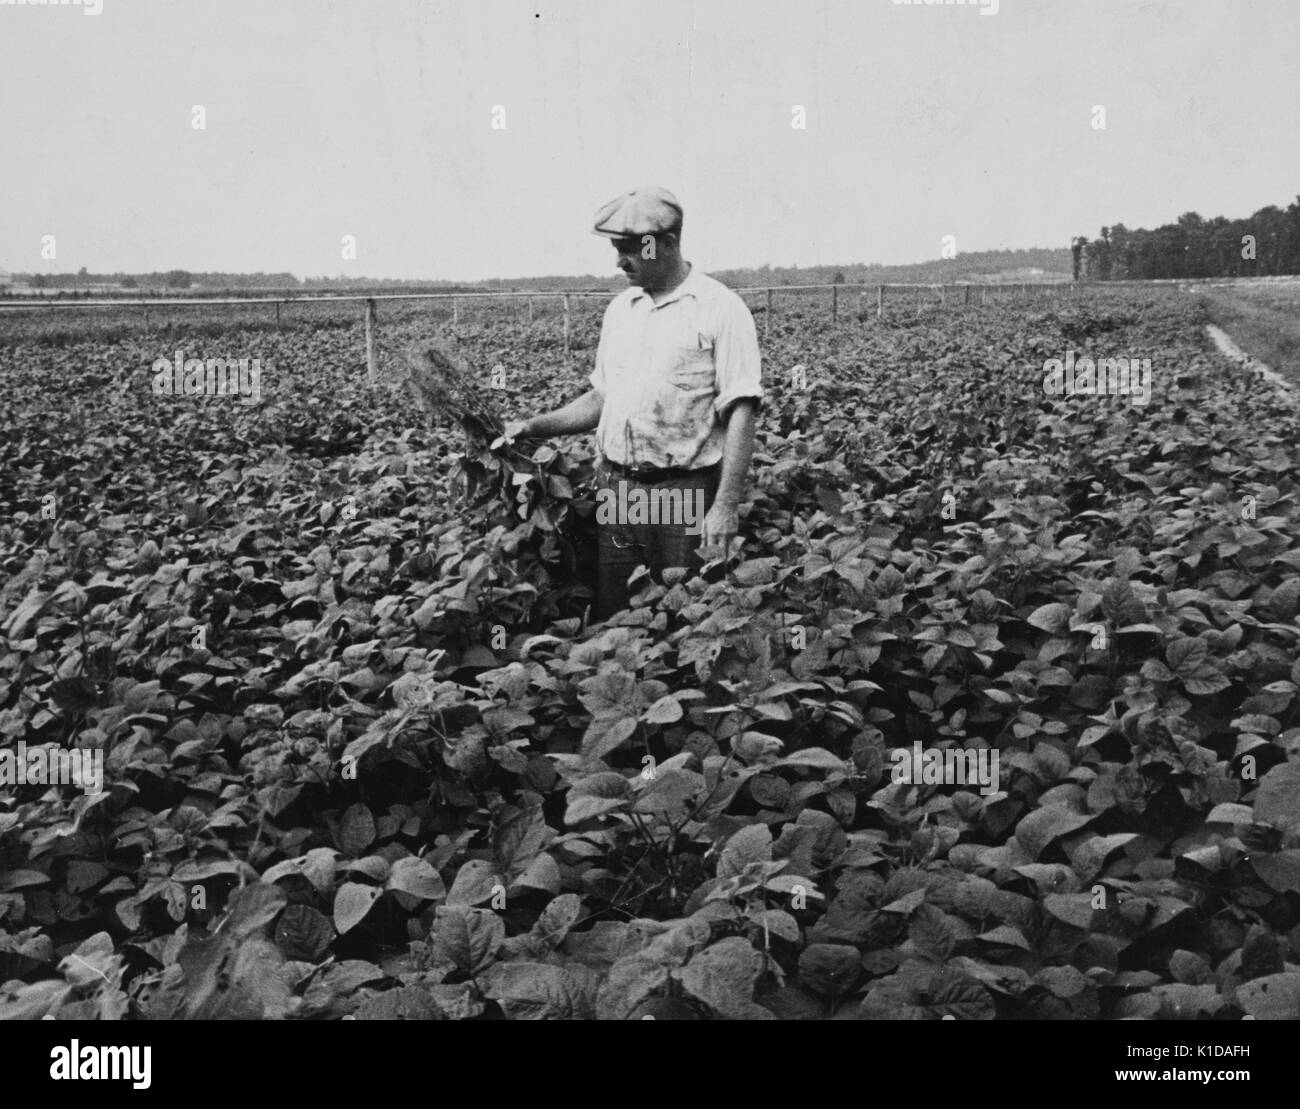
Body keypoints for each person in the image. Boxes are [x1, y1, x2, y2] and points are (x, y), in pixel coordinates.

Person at [504, 186, 763, 619]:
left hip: (684, 490)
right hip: (619, 489)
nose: (619, 261)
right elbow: (602, 398)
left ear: (667, 242)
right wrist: (534, 426)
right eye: (616, 249)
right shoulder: (622, 310)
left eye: (630, 249)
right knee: (620, 612)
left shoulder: (719, 308)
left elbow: (742, 410)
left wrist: (724, 504)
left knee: (686, 617)